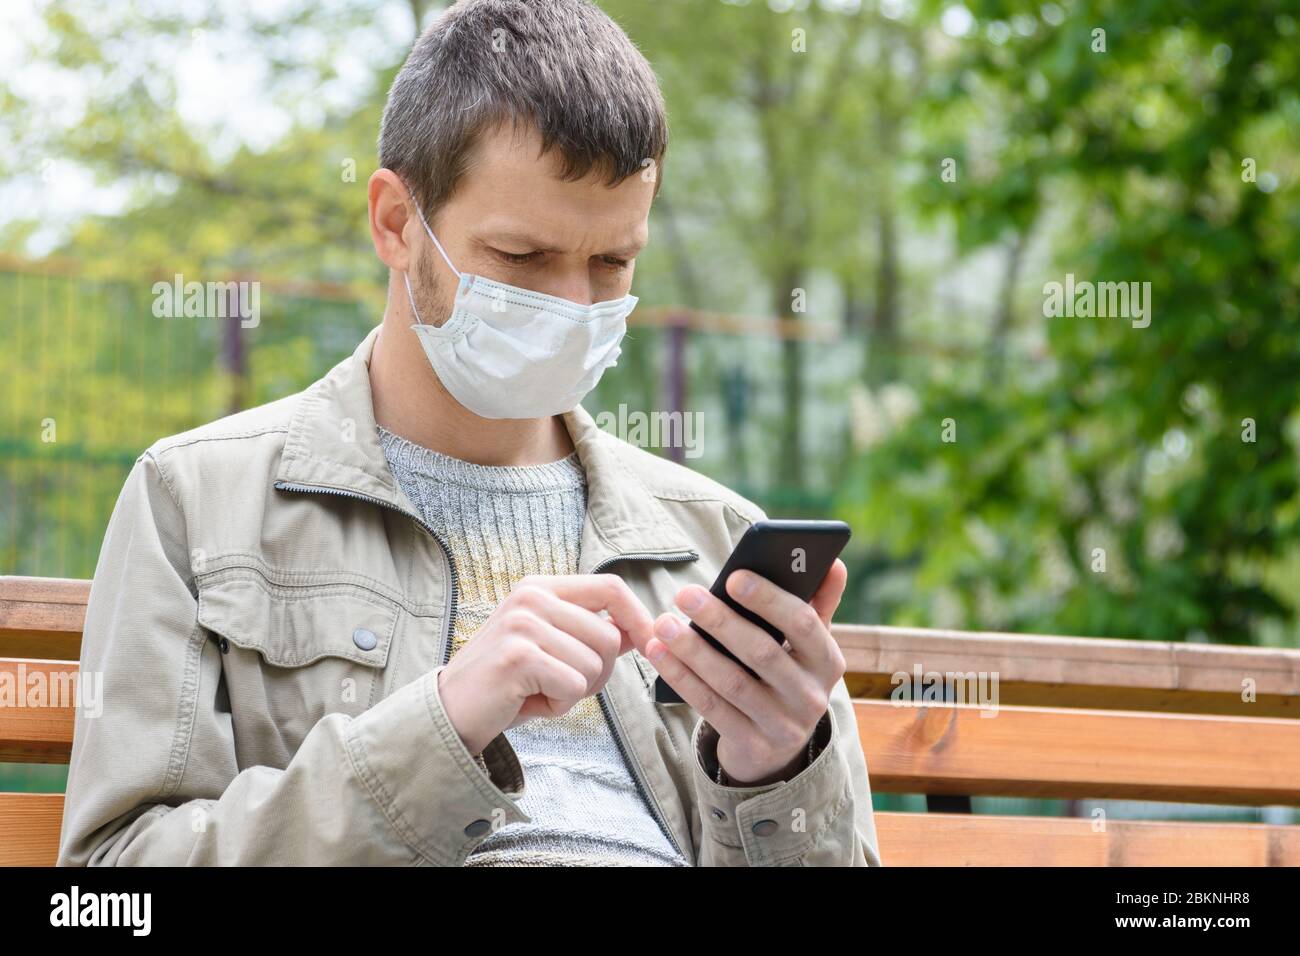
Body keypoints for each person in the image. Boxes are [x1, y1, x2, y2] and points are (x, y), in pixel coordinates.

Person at [57, 0, 882, 867]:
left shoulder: (711, 541)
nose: (573, 308)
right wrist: (439, 728)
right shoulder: (195, 502)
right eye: (522, 259)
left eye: (612, 263)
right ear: (396, 222)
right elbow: (114, 891)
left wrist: (775, 775)